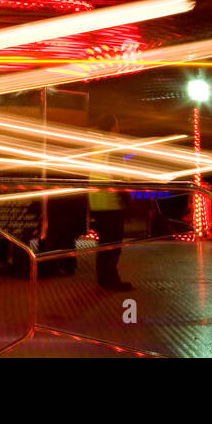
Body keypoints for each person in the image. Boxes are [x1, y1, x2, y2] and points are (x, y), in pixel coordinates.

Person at [89, 114, 132, 291]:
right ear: (113, 127)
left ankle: (103, 278)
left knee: (104, 242)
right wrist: (126, 194)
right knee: (113, 243)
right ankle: (111, 280)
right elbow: (117, 174)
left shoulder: (97, 146)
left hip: (96, 200)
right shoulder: (112, 146)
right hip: (111, 201)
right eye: (117, 124)